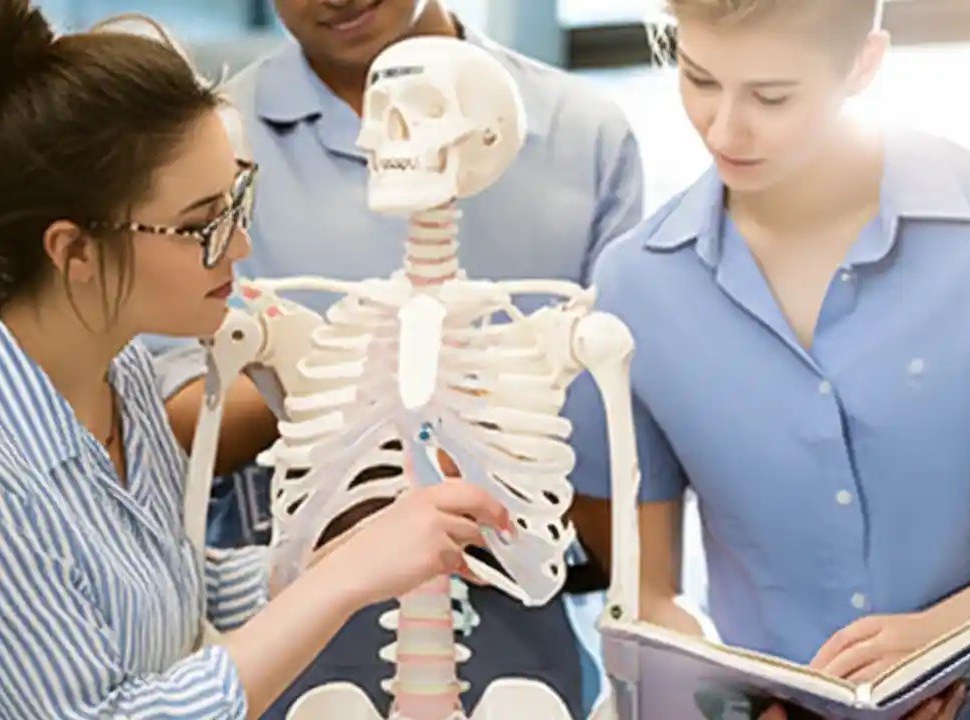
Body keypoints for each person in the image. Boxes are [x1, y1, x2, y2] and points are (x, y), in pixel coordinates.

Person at [0, 3, 512, 719]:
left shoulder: (120, 375)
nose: (237, 249)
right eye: (202, 225)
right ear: (73, 251)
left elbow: (168, 588)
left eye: (237, 204)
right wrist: (347, 578)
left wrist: (342, 550)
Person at [563, 1, 970, 719]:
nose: (723, 127)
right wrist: (738, 703)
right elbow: (648, 592)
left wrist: (946, 644)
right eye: (699, 78)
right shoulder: (636, 284)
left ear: (864, 65)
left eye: (771, 96)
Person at [147, 1, 644, 717]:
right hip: (287, 633)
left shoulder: (584, 134)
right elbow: (159, 422)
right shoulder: (210, 136)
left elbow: (609, 447)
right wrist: (347, 389)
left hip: (525, 628)